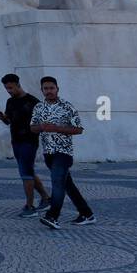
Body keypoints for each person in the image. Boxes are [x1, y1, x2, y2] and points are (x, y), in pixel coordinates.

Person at [30, 77, 95, 230]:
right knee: (68, 185)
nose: (49, 91)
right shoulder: (39, 107)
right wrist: (42, 127)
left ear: (57, 89)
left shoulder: (67, 107)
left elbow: (78, 129)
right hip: (48, 152)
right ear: (42, 90)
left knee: (57, 183)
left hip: (63, 152)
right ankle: (87, 214)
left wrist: (57, 128)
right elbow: (32, 127)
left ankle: (53, 216)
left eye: (51, 88)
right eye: (46, 88)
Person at [0, 74, 48, 216]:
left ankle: (30, 207)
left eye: (11, 88)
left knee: (26, 174)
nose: (9, 91)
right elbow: (9, 121)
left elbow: (42, 122)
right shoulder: (10, 102)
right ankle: (46, 198)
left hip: (29, 141)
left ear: (18, 85)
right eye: (6, 88)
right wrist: (3, 118)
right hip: (16, 140)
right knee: (28, 171)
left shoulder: (32, 101)